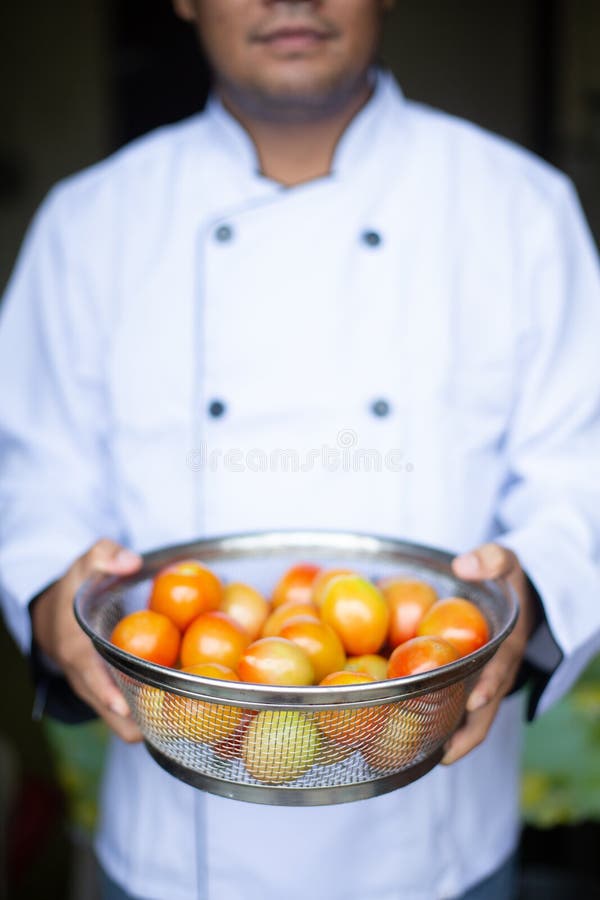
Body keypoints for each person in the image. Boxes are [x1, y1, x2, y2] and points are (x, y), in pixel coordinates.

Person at [1, 1, 600, 898]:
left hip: (438, 854)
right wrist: (53, 593)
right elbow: (30, 468)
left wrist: (530, 588)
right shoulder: (90, 222)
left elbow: (581, 463)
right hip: (175, 854)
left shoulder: (519, 206)